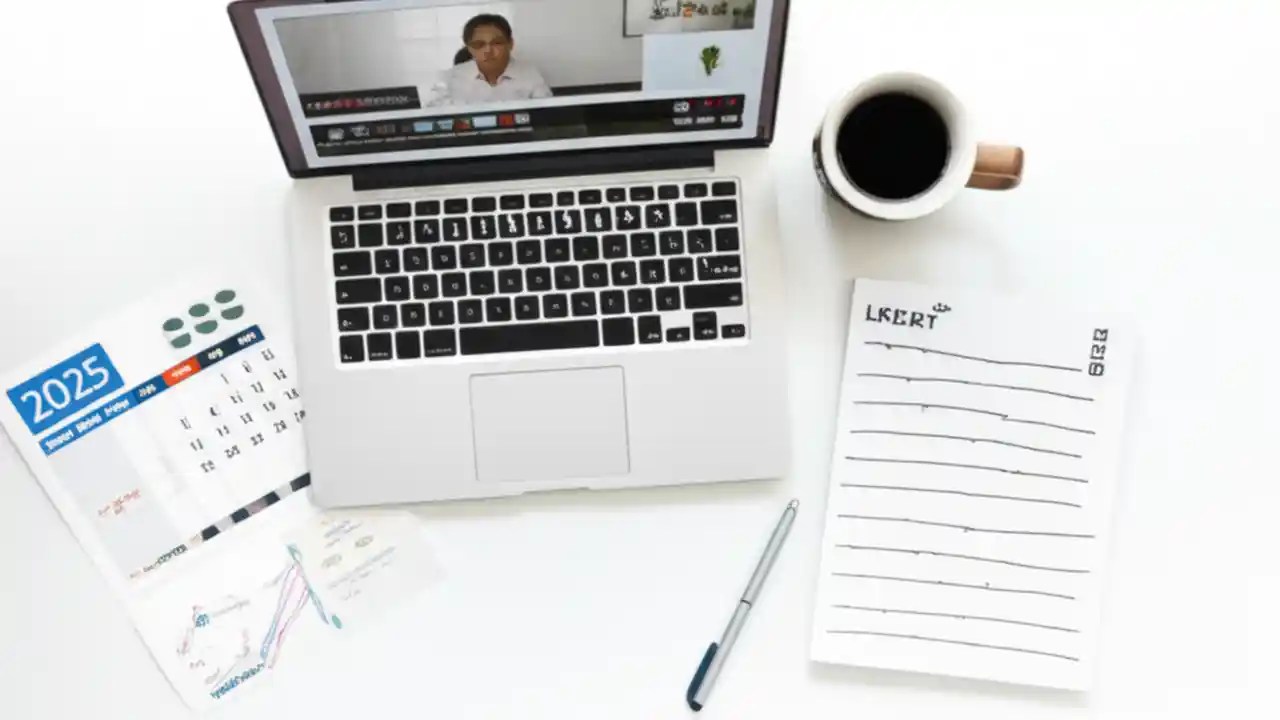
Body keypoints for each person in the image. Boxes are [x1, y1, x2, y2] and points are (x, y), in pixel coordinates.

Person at [427, 14, 552, 106]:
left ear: (510, 44)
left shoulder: (530, 75)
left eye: (496, 43)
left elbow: (547, 117)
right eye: (479, 44)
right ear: (469, 48)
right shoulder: (449, 78)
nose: (488, 51)